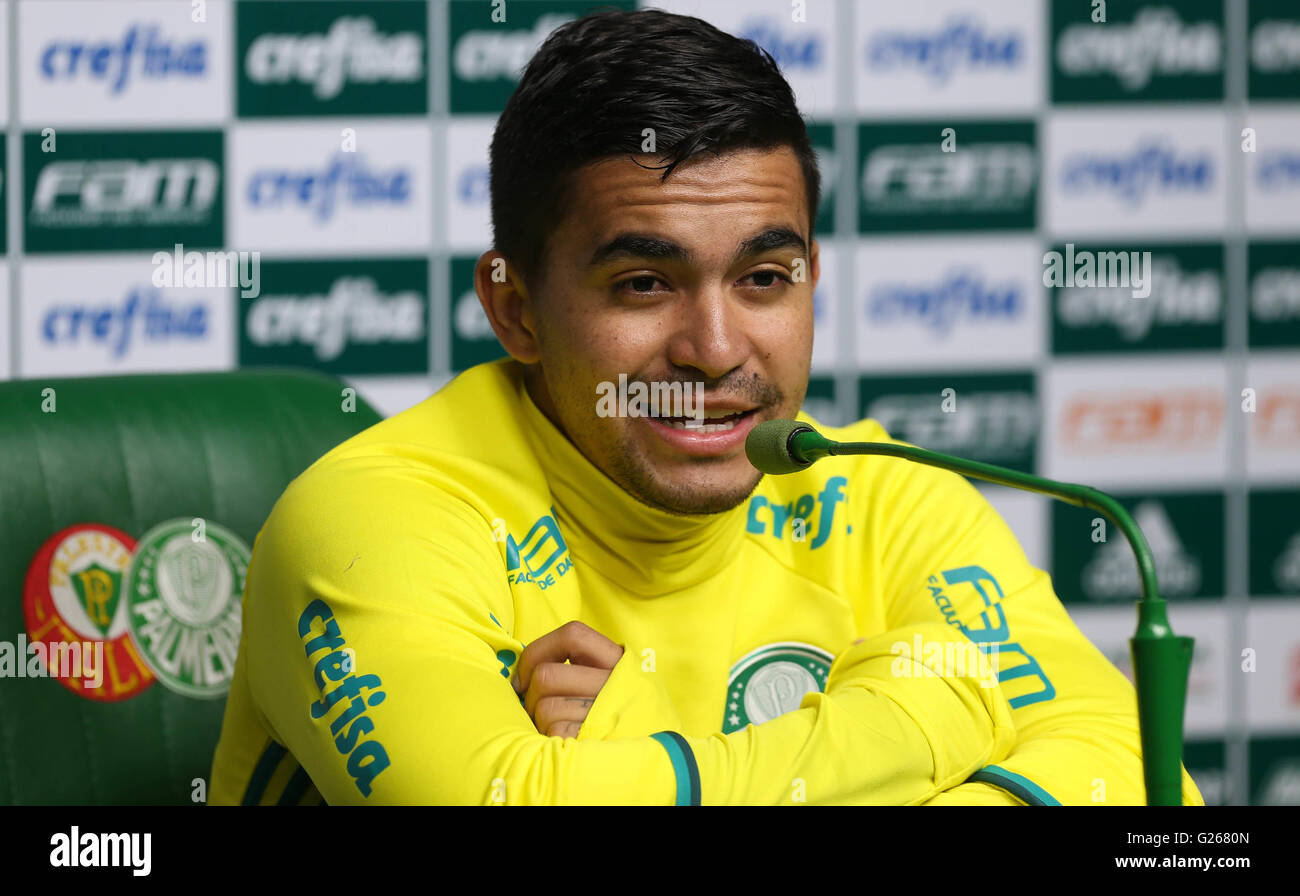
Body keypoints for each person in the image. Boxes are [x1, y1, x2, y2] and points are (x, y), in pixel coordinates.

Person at [210, 8, 1203, 806]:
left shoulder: (885, 495)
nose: (717, 349)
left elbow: (1140, 781)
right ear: (516, 308)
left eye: (764, 278)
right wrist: (921, 722)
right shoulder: (374, 519)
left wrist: (637, 752)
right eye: (644, 283)